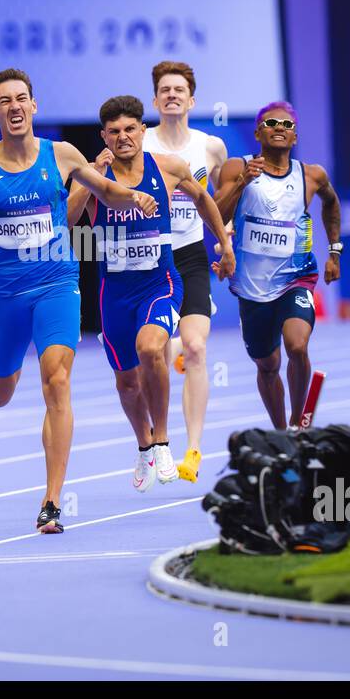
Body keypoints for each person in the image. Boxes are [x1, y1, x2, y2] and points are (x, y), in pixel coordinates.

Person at [0, 67, 157, 534]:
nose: (15, 107)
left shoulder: (60, 155)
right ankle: (8, 350)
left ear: (34, 105)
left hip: (57, 287)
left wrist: (135, 197)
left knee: (57, 382)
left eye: (22, 98)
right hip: (5, 297)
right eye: (5, 101)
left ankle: (52, 501)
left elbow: (104, 188)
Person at [68, 95, 233, 492]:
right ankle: (143, 444)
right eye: (114, 132)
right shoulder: (93, 176)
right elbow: (70, 219)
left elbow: (204, 199)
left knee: (151, 348)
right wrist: (92, 174)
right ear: (103, 136)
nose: (123, 137)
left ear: (143, 130)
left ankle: (162, 440)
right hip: (114, 292)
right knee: (126, 382)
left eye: (130, 129)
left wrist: (225, 246)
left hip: (160, 283)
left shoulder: (168, 168)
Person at [215, 102, 342, 429]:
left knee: (297, 346)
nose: (279, 128)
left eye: (286, 124)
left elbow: (331, 202)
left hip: (296, 278)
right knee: (267, 365)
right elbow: (215, 214)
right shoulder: (235, 168)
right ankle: (281, 432)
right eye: (271, 123)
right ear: (258, 132)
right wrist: (243, 182)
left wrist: (335, 251)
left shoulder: (311, 175)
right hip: (252, 287)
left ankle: (300, 423)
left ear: (295, 135)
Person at [139, 61, 228, 482]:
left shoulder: (210, 148)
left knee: (196, 347)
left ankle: (192, 451)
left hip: (190, 255)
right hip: (150, 257)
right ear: (155, 100)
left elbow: (218, 200)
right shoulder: (141, 143)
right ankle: (156, 440)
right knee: (151, 352)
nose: (172, 95)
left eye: (179, 90)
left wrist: (224, 234)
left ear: (191, 100)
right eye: (165, 90)